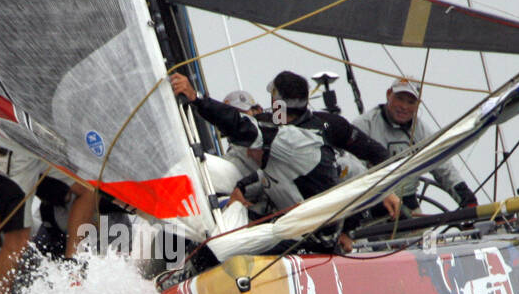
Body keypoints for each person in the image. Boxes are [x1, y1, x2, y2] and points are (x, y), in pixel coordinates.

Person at [171, 71, 401, 222]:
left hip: (315, 216)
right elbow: (236, 125)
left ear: (277, 102)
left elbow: (375, 153)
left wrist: (386, 188)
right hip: (271, 202)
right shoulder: (269, 124)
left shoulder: (322, 126)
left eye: (274, 100)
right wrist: (240, 189)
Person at [0, 144, 96, 294]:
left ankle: (73, 269)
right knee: (17, 242)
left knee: (88, 188)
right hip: (7, 153)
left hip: (31, 145)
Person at [353, 77, 479, 210]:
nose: (404, 107)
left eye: (411, 102)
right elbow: (352, 167)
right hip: (370, 203)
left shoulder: (420, 130)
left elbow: (441, 164)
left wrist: (465, 196)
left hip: (408, 204)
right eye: (400, 98)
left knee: (424, 229)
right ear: (389, 94)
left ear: (418, 104)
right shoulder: (364, 124)